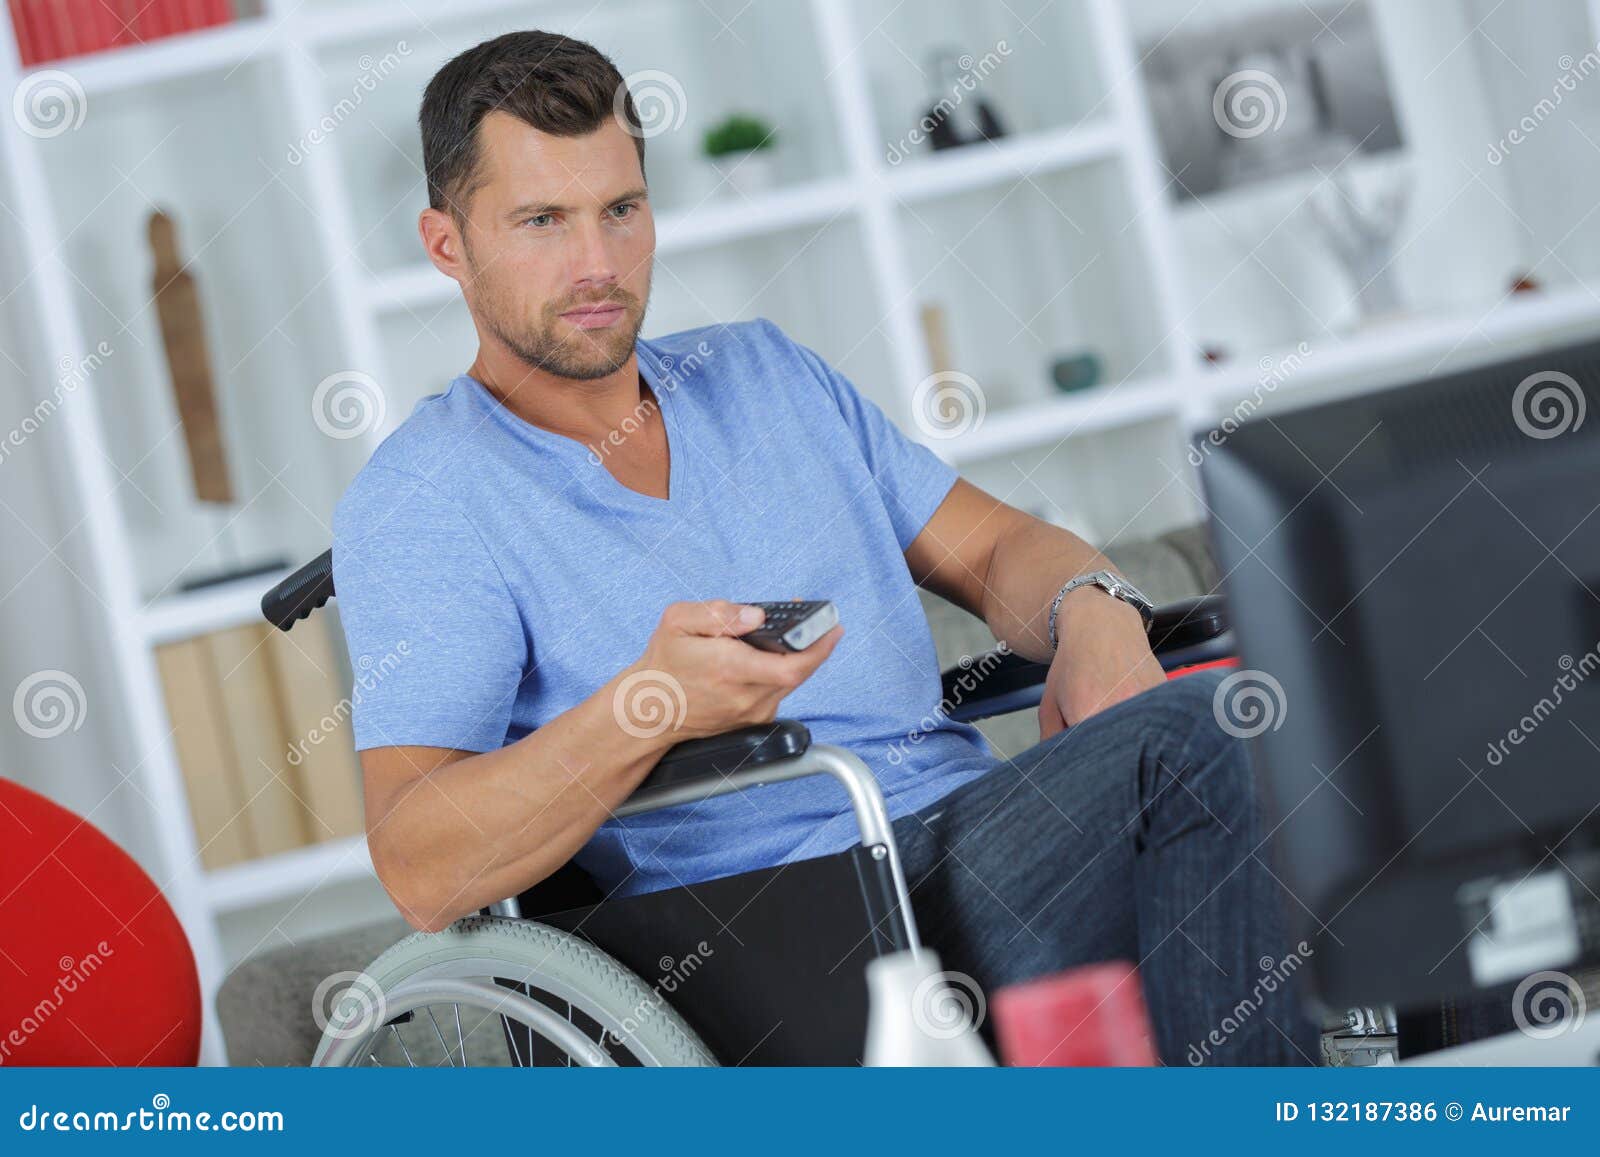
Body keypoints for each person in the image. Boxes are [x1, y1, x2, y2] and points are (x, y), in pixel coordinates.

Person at [332, 29, 1321, 1065]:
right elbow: (421, 862)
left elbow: (994, 551)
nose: (596, 263)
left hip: (962, 836)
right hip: (771, 933)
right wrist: (648, 704)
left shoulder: (765, 375)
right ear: (448, 245)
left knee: (1314, 695)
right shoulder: (425, 496)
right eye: (541, 221)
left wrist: (1094, 609)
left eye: (620, 210)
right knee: (1208, 735)